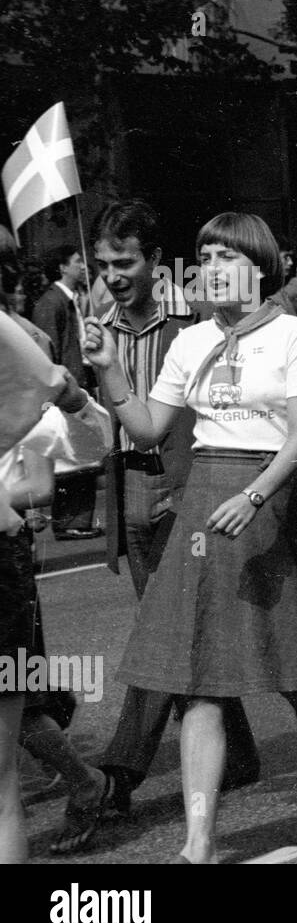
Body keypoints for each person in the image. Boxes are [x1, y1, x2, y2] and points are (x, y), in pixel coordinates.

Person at [83, 211, 297, 862]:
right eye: (203, 255)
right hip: (203, 506)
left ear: (259, 267)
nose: (208, 267)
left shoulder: (295, 334)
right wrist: (108, 370)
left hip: (266, 497)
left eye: (224, 257)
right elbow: (149, 425)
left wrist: (256, 494)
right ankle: (199, 840)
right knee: (198, 680)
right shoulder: (190, 342)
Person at [87, 200, 261, 839]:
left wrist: (186, 489)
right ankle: (235, 754)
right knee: (180, 634)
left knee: (161, 641)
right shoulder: (99, 321)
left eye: (126, 261)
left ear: (157, 261)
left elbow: (206, 413)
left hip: (181, 487)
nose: (113, 275)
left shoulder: (193, 321)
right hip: (128, 483)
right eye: (104, 264)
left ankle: (117, 772)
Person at [0, 348, 115, 864]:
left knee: (20, 699)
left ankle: (85, 781)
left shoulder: (20, 393)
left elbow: (43, 486)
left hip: (7, 552)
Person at [32, 246, 100, 541]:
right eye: (77, 262)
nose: (84, 267)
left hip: (79, 385)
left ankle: (77, 519)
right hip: (65, 391)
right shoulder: (52, 302)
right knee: (73, 456)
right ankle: (69, 520)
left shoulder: (73, 300)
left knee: (83, 454)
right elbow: (46, 352)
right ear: (62, 268)